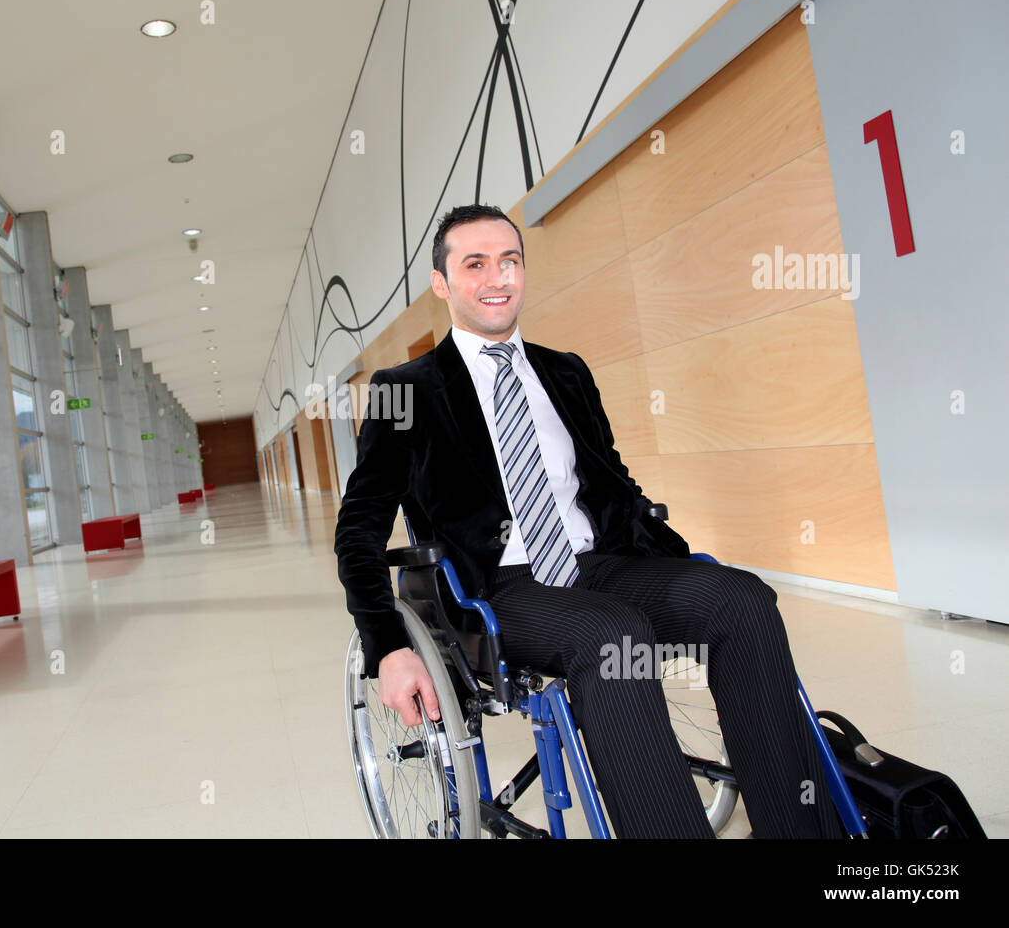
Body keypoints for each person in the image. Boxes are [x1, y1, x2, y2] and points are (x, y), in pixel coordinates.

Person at [334, 203, 843, 838]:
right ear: (442, 284)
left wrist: (671, 562)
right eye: (475, 264)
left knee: (741, 601)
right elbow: (358, 528)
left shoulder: (565, 371)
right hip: (500, 588)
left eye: (510, 261)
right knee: (612, 639)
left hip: (598, 564)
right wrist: (386, 646)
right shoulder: (404, 389)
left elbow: (612, 482)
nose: (498, 277)